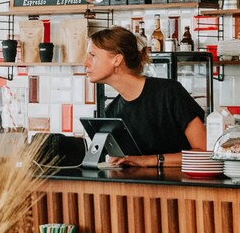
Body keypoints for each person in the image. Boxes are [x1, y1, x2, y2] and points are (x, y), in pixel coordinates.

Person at [85, 25, 208, 172]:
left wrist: (149, 160)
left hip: (182, 185)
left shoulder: (170, 92)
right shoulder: (112, 111)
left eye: (93, 55)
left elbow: (204, 152)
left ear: (117, 60)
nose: (85, 63)